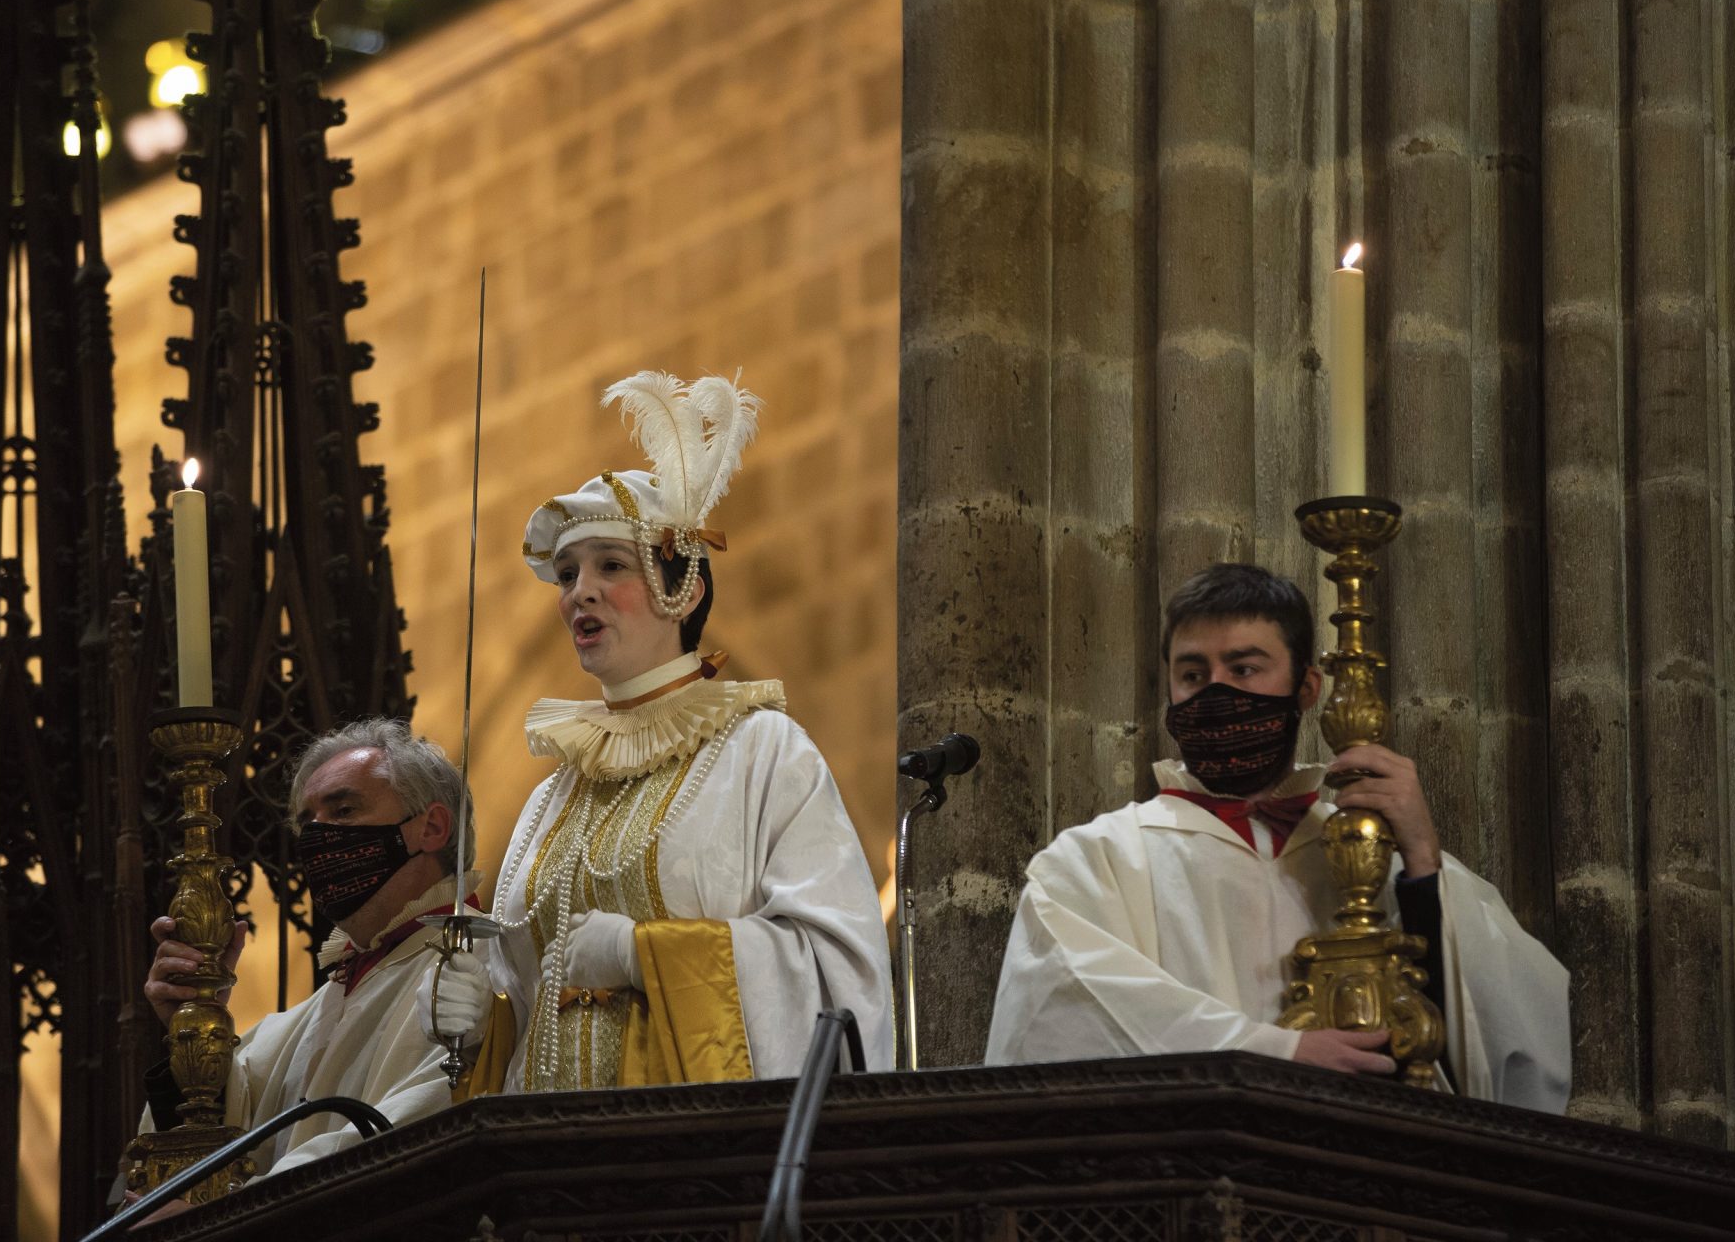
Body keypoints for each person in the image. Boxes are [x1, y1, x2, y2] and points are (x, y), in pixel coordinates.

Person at [427, 370, 893, 1092]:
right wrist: (481, 1025)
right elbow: (524, 1001)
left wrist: (648, 954)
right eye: (566, 574)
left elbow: (840, 970)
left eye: (610, 566)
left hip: (693, 1165)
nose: (579, 590)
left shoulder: (762, 753)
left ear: (686, 588)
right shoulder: (552, 798)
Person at [984, 563, 1570, 1112]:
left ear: (1307, 688)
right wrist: (1278, 1054)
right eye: (1193, 674)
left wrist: (1421, 862)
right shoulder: (1095, 861)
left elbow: (1520, 1035)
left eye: (1243, 669)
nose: (1216, 692)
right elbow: (1068, 1015)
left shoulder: (1371, 855)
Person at [136, 717, 482, 1198]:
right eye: (307, 823)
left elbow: (411, 1133)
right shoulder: (313, 1011)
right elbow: (207, 1144)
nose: (318, 839)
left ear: (432, 827)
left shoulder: (476, 966)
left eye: (343, 811)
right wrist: (195, 1026)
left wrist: (234, 1205)